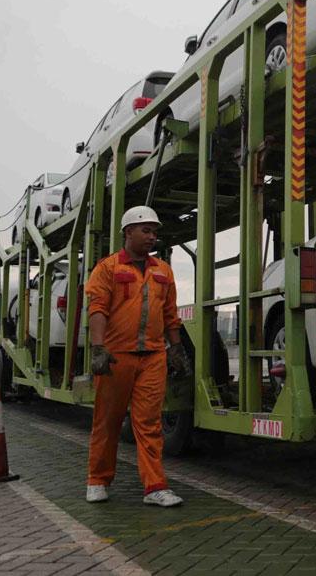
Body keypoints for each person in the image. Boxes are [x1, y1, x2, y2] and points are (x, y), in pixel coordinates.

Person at [84, 206, 191, 507]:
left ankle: (155, 486)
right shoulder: (107, 268)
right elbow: (97, 310)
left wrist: (176, 349)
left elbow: (170, 315)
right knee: (107, 420)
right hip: (116, 357)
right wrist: (98, 348)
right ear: (128, 232)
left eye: (154, 231)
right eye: (146, 230)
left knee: (149, 423)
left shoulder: (163, 271)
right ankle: (97, 479)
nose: (152, 236)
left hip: (153, 357)